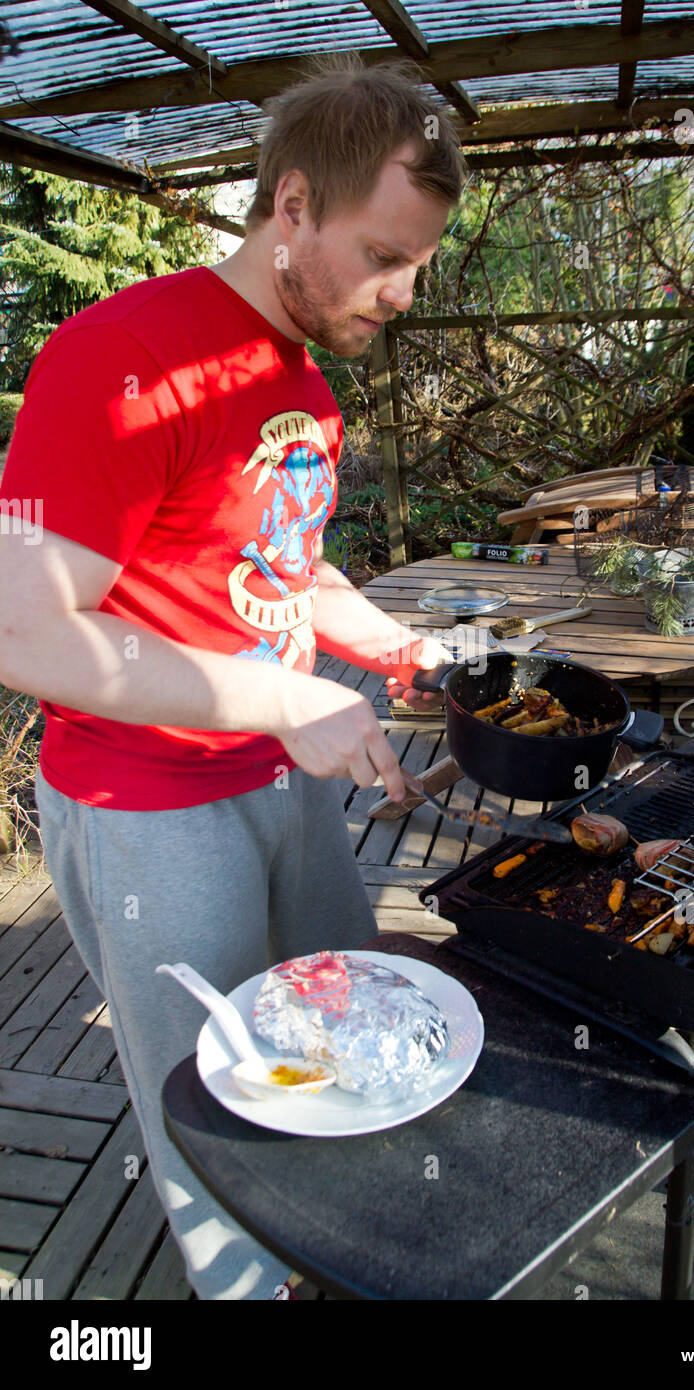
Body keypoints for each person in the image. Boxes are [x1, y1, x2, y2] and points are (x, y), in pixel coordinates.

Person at [0, 55, 465, 1300]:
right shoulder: (121, 355)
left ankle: (341, 1256)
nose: (402, 292)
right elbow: (23, 629)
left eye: (416, 262)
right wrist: (283, 699)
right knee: (213, 1102)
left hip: (286, 784)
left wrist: (399, 652)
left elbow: (282, 576)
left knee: (336, 1045)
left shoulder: (303, 381)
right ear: (294, 205)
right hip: (148, 810)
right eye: (382, 253)